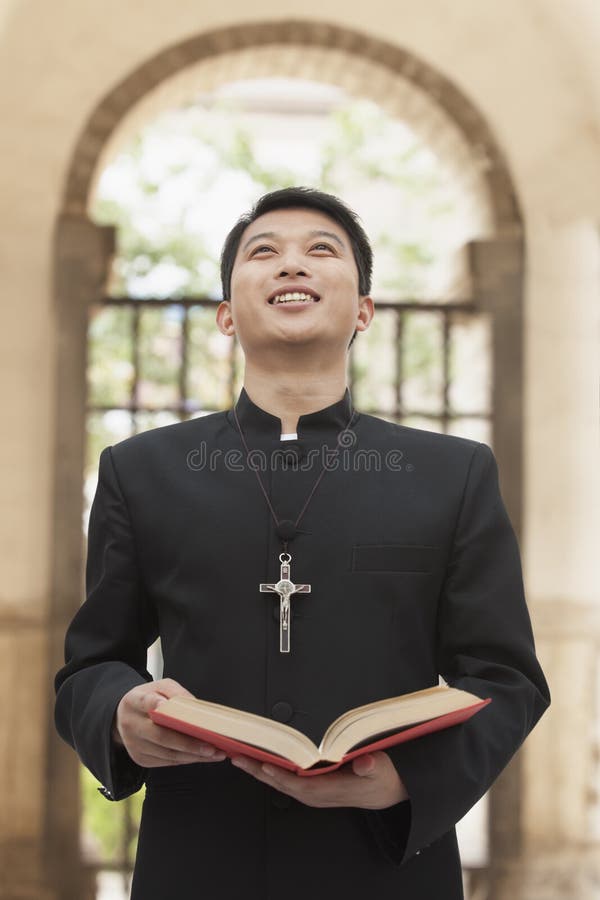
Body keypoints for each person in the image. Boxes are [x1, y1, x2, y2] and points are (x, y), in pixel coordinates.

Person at [55, 186, 550, 899]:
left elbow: (508, 680)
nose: (292, 265)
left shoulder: (453, 474)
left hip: (385, 865)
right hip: (198, 859)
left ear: (364, 311)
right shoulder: (140, 470)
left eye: (322, 250)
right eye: (264, 252)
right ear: (227, 316)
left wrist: (410, 778)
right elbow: (92, 664)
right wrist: (118, 715)